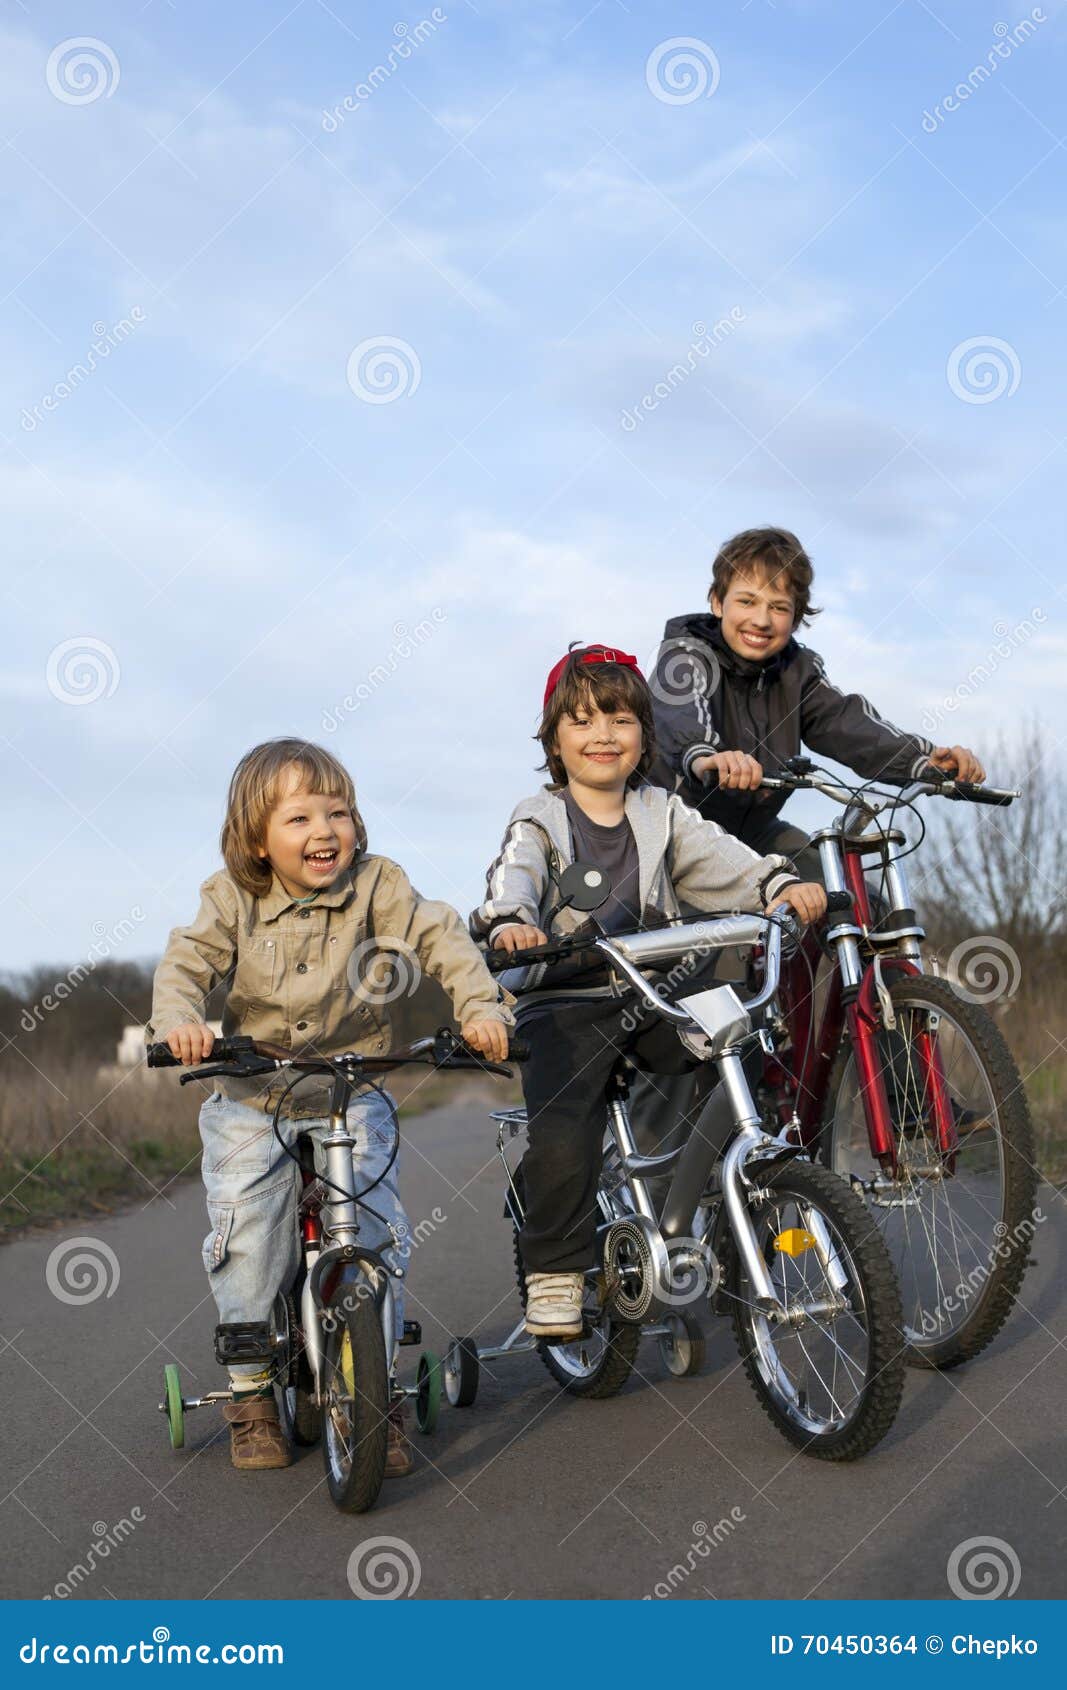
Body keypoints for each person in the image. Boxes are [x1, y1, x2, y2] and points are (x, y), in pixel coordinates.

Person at [148, 737, 512, 1474]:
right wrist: (181, 1023)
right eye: (298, 818)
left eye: (338, 812)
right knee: (250, 1236)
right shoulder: (231, 898)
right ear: (256, 838)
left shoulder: (380, 885)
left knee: (375, 1233)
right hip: (255, 1096)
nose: (324, 831)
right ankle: (251, 1392)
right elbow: (185, 964)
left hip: (352, 1091)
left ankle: (374, 1393)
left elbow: (441, 937)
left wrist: (481, 1006)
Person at [470, 645, 826, 1340]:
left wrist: (778, 884)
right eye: (580, 720)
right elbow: (512, 883)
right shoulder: (539, 817)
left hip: (654, 988)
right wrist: (512, 923)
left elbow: (726, 861)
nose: (602, 734)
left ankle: (730, 1201)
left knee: (738, 1039)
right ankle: (554, 1269)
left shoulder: (661, 810)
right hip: (567, 994)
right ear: (553, 739)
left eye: (619, 718)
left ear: (642, 735)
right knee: (566, 1123)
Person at [649, 525, 985, 880]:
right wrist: (704, 756)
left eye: (778, 607)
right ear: (718, 602)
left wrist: (926, 761)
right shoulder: (685, 656)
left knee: (844, 894)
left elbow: (848, 725)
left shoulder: (798, 672)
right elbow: (679, 713)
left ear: (795, 619)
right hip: (681, 825)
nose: (761, 620)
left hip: (755, 830)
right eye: (747, 601)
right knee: (715, 919)